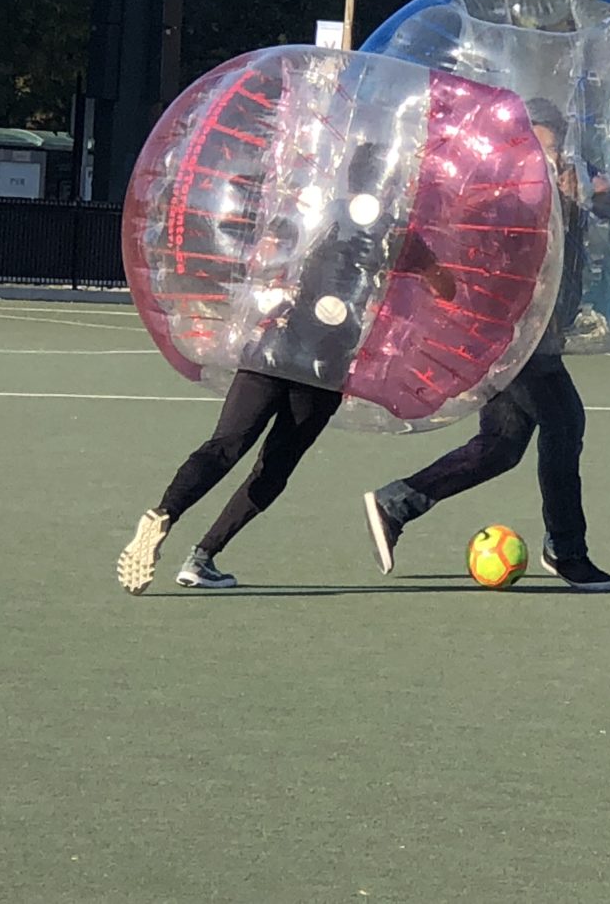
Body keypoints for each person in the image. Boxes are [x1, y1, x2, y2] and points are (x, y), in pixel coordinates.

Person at [117, 145, 455, 594]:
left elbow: (267, 259)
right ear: (388, 185)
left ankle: (163, 512)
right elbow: (445, 289)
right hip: (324, 368)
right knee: (272, 468)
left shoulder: (314, 214)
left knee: (224, 445)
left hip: (272, 348)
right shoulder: (397, 236)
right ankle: (202, 556)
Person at [361, 98, 610, 592]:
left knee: (499, 448)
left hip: (541, 339)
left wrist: (596, 197)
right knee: (565, 424)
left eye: (556, 151)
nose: (551, 162)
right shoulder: (508, 200)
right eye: (541, 151)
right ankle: (567, 551)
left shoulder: (570, 190)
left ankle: (395, 503)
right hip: (512, 339)